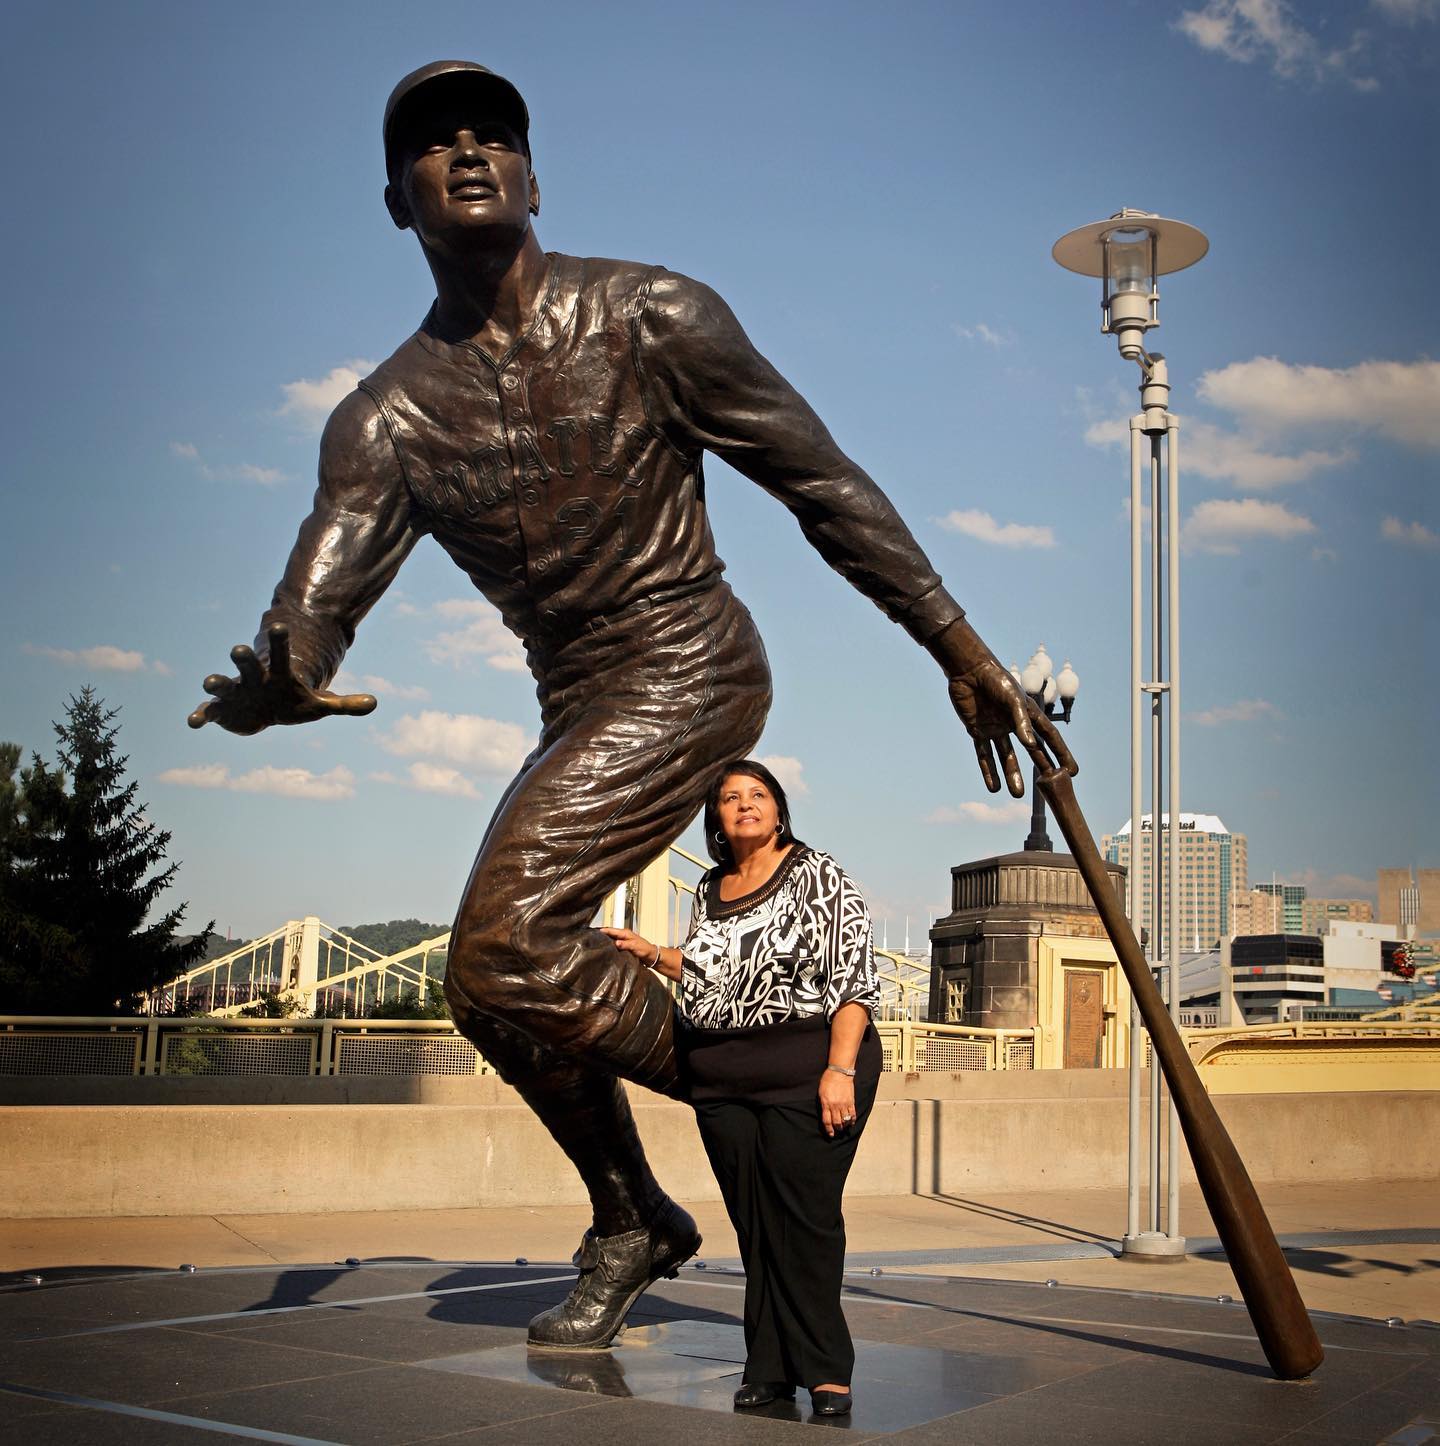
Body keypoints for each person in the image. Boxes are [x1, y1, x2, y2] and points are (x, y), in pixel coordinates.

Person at [187, 60, 1075, 1351]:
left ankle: (778, 1072)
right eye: (438, 145)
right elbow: (321, 583)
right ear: (396, 200)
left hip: (693, 658)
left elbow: (820, 482)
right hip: (580, 702)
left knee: (497, 940)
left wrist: (957, 642)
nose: (472, 152)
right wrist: (287, 674)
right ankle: (634, 1214)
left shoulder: (652, 315)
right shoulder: (382, 420)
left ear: (536, 176)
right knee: (489, 986)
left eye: (496, 135)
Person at [603, 760, 880, 1416]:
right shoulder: (709, 888)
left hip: (809, 1073)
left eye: (758, 795)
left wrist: (839, 1071)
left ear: (779, 811)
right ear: (717, 820)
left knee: (805, 1222)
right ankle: (770, 1368)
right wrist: (650, 953)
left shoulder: (817, 874)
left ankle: (827, 1370)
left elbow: (853, 978)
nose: (745, 805)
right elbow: (708, 972)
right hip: (723, 1081)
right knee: (756, 1228)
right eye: (730, 798)